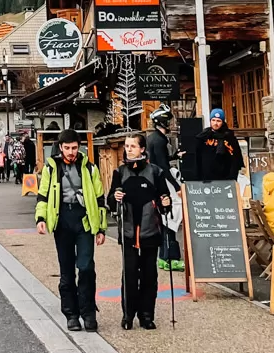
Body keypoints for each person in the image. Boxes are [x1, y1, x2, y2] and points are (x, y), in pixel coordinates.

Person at [34, 128, 108, 332]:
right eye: (67, 148)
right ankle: (71, 313)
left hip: (84, 220)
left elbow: (100, 198)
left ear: (80, 147)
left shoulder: (90, 168)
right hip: (62, 220)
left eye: (74, 148)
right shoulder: (51, 168)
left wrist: (101, 228)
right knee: (66, 271)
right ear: (60, 148)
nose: (71, 152)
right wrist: (41, 218)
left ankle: (88, 312)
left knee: (86, 268)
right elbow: (43, 195)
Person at [110, 132, 174, 330]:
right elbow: (110, 201)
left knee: (149, 276)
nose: (128, 149)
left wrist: (166, 202)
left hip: (150, 231)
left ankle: (146, 315)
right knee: (129, 274)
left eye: (133, 146)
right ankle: (128, 315)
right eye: (127, 146)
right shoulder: (120, 172)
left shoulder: (155, 172)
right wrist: (115, 197)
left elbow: (165, 200)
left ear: (142, 149)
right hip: (128, 231)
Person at [145, 107, 183, 271]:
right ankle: (171, 257)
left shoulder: (152, 138)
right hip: (164, 182)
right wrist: (176, 187)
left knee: (163, 218)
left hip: (153, 179)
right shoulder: (160, 140)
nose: (170, 123)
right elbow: (163, 167)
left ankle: (163, 257)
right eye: (168, 121)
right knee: (171, 216)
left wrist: (174, 156)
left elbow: (158, 160)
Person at [190, 108, 245, 182]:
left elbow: (237, 156)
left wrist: (236, 172)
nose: (215, 123)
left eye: (218, 121)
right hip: (207, 177)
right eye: (213, 120)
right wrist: (197, 176)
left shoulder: (229, 136)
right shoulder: (203, 137)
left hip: (226, 177)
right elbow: (197, 157)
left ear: (223, 122)